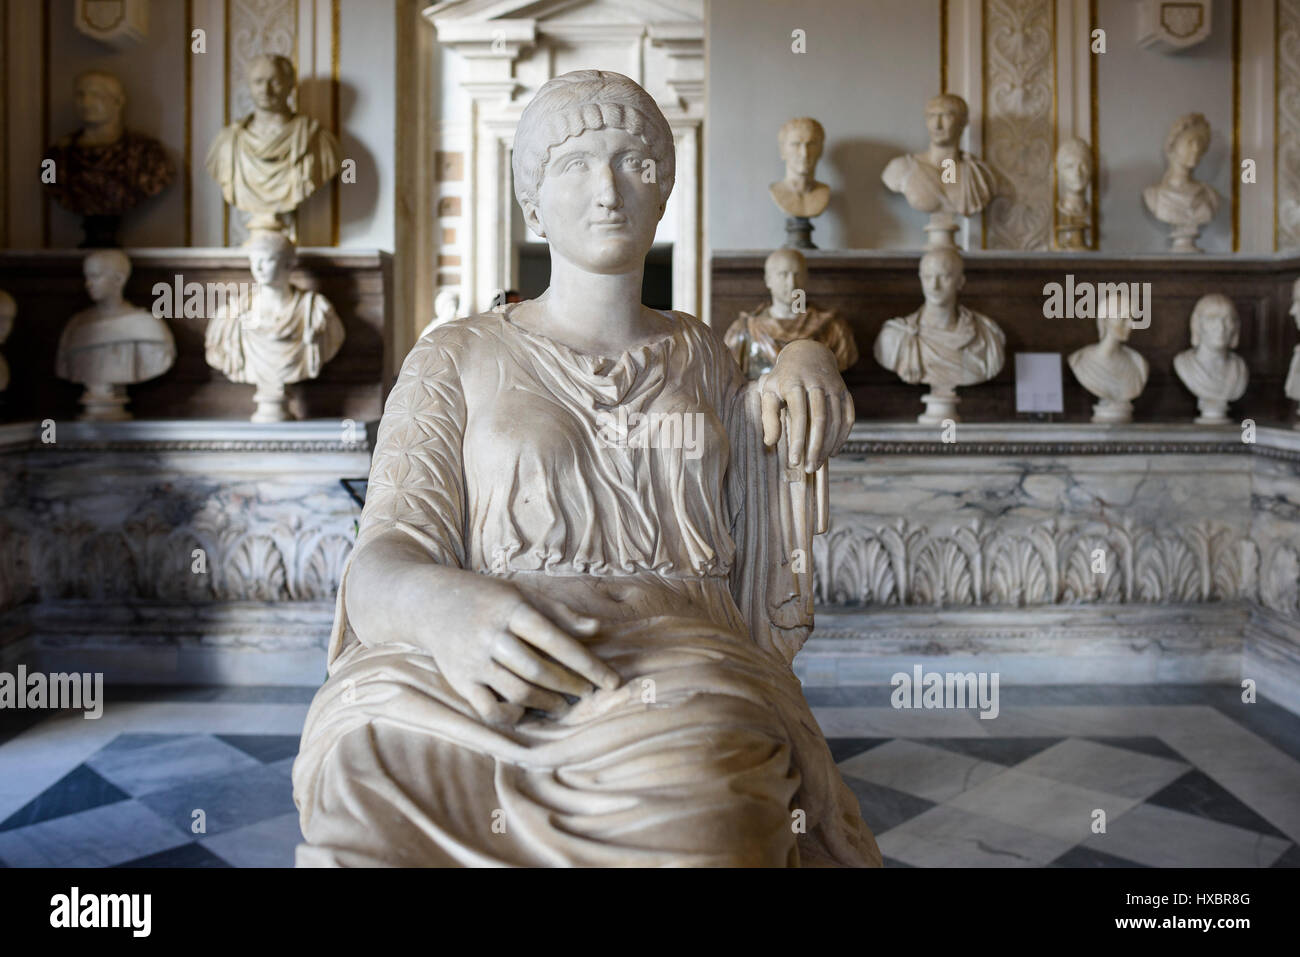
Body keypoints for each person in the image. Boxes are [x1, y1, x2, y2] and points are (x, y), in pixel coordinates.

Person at [291, 70, 881, 868]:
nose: (607, 189)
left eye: (634, 163)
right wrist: (441, 609)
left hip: (666, 670)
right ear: (532, 202)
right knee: (363, 778)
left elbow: (770, 432)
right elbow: (381, 558)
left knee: (706, 819)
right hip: (472, 663)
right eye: (574, 164)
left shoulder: (704, 356)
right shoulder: (454, 356)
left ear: (663, 193)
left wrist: (806, 357)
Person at [203, 231, 344, 422]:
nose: (258, 268)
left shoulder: (316, 312)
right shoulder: (231, 316)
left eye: (267, 260)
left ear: (288, 264)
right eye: (254, 261)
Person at [205, 54, 342, 234]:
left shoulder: (317, 140)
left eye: (275, 82)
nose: (265, 90)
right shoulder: (227, 142)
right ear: (249, 85)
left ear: (290, 86)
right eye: (258, 82)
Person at [725, 248, 858, 379]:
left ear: (806, 278)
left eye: (797, 274)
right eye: (783, 274)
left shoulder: (832, 327)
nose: (792, 283)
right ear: (768, 279)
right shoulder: (744, 330)